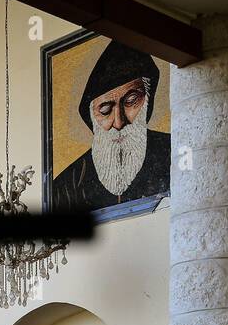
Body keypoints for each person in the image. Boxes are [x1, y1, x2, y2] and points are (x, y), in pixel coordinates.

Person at [51, 41, 170, 212]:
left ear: (147, 100)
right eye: (105, 110)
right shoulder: (66, 186)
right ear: (92, 117)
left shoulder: (174, 153)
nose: (119, 122)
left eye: (131, 101)